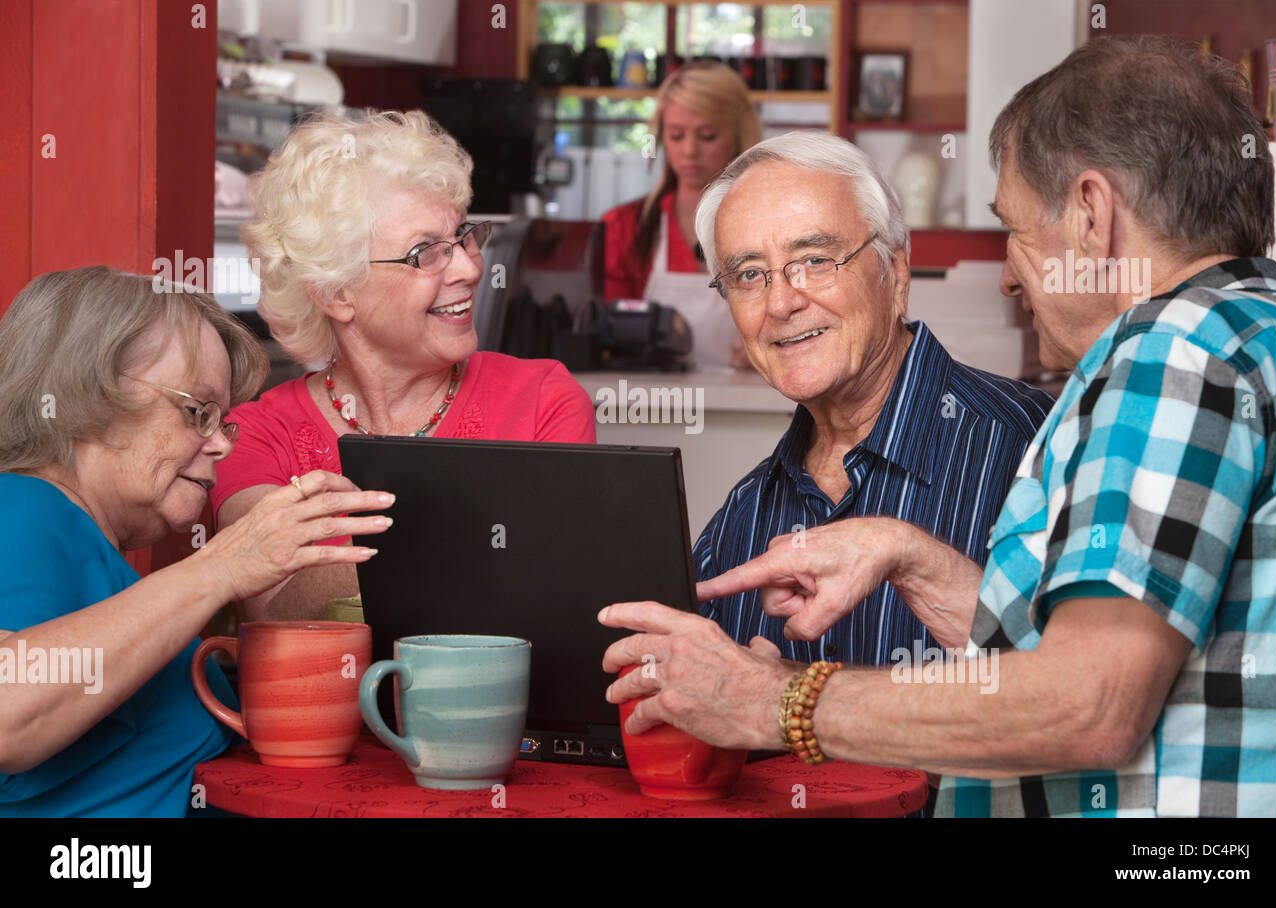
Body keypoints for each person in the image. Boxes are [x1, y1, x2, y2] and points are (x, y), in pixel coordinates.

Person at [599, 36, 1276, 817]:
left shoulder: (1173, 357)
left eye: (1016, 229)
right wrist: (914, 557)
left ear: (1093, 215)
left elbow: (1087, 707)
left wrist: (778, 699)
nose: (1006, 273)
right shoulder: (1260, 336)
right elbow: (1105, 665)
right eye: (748, 275)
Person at [0, 267, 394, 817]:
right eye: (196, 412)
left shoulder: (85, 544)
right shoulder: (25, 507)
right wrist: (220, 568)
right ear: (88, 394)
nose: (221, 446)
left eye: (223, 420)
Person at [690, 131, 1054, 668]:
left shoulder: (1033, 446)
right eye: (748, 275)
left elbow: (1083, 701)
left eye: (815, 260)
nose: (782, 302)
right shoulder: (743, 515)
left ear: (897, 272)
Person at [215, 110, 597, 621]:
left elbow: (555, 588)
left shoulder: (543, 398)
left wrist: (338, 552)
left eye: (463, 236)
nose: (468, 268)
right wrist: (482, 544)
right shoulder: (255, 435)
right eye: (425, 254)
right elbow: (274, 601)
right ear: (336, 292)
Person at [602, 61, 761, 367]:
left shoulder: (772, 225)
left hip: (752, 405)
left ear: (738, 135)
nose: (689, 150)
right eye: (676, 135)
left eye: (707, 135)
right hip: (649, 405)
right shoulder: (626, 229)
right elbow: (606, 333)